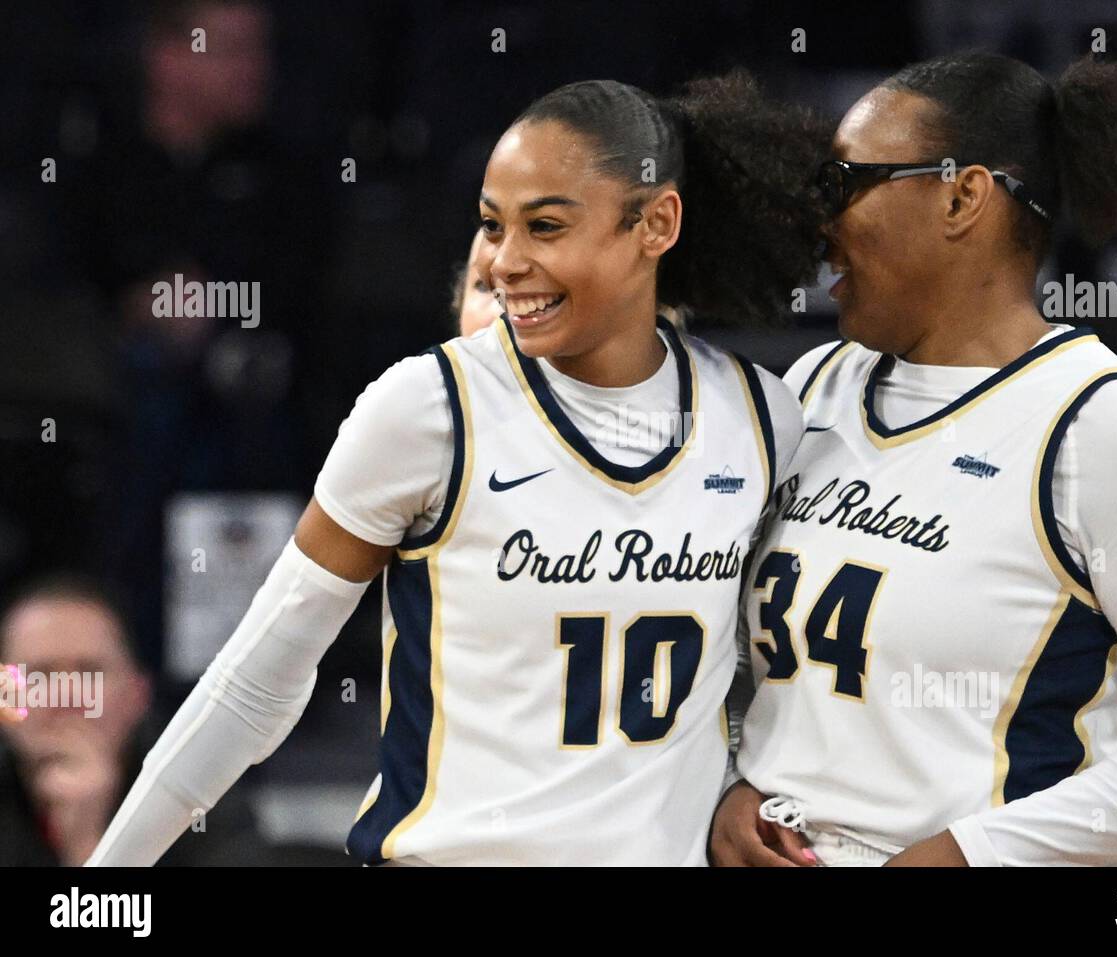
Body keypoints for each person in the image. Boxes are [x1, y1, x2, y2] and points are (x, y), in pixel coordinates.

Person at [86, 70, 831, 866]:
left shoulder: (760, 418)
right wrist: (104, 877)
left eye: (545, 227)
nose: (505, 261)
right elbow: (254, 682)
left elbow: (780, 679)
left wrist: (749, 787)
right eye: (491, 225)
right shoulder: (427, 408)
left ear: (656, 222)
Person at [710, 53, 1117, 867]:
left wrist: (970, 854)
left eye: (843, 184)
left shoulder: (1110, 431)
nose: (817, 221)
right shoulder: (815, 386)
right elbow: (751, 661)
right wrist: (735, 780)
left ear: (961, 195)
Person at [0, 576, 270, 865]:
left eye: (90, 671)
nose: (67, 693)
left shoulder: (201, 793)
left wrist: (85, 842)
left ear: (137, 695)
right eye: (41, 673)